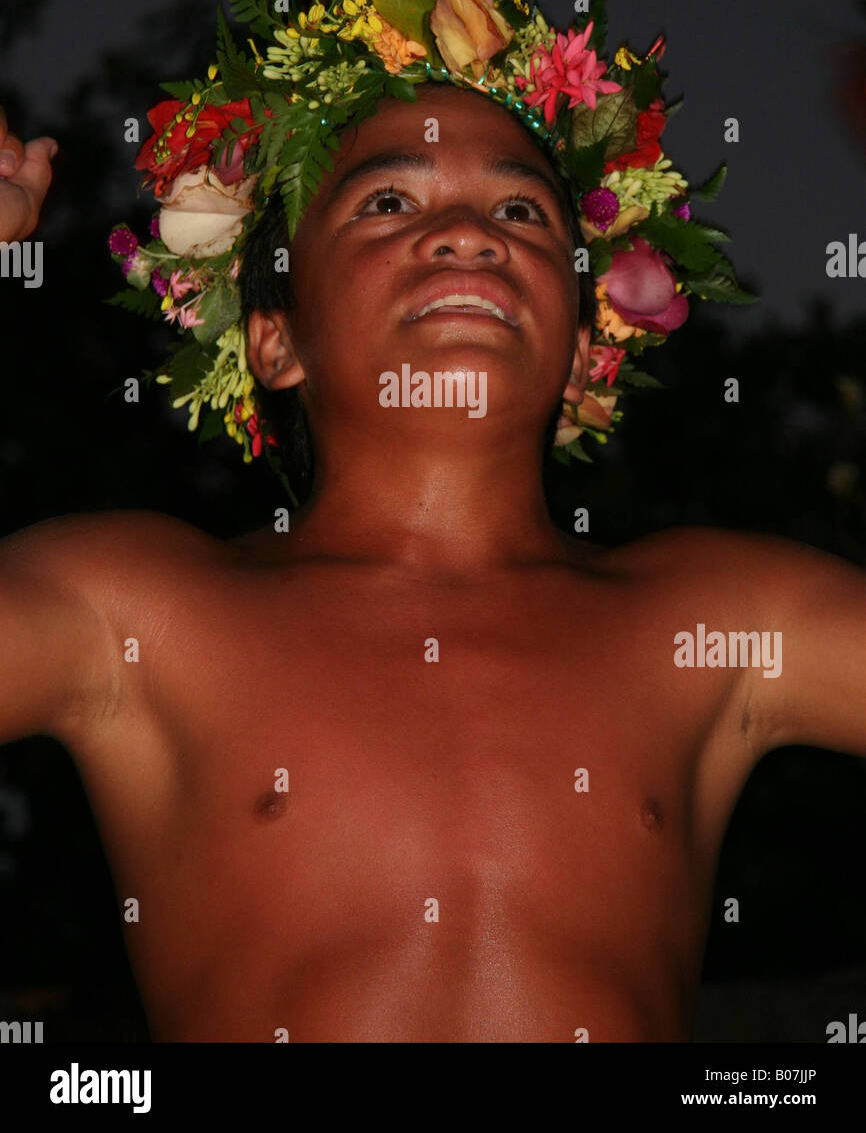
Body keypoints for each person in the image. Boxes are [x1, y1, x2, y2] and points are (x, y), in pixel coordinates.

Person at [1, 80, 864, 1044]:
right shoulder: (132, 609)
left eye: (520, 209)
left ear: (585, 350)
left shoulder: (724, 620)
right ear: (274, 338)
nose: (467, 233)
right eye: (387, 202)